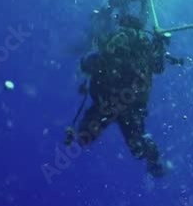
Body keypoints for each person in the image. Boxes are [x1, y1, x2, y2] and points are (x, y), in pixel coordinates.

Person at [65, 15, 183, 176]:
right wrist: (160, 43)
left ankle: (145, 150)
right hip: (132, 103)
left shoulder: (112, 41)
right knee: (137, 144)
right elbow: (158, 67)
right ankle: (151, 157)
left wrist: (90, 64)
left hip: (106, 101)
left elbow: (88, 64)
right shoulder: (143, 45)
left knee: (86, 134)